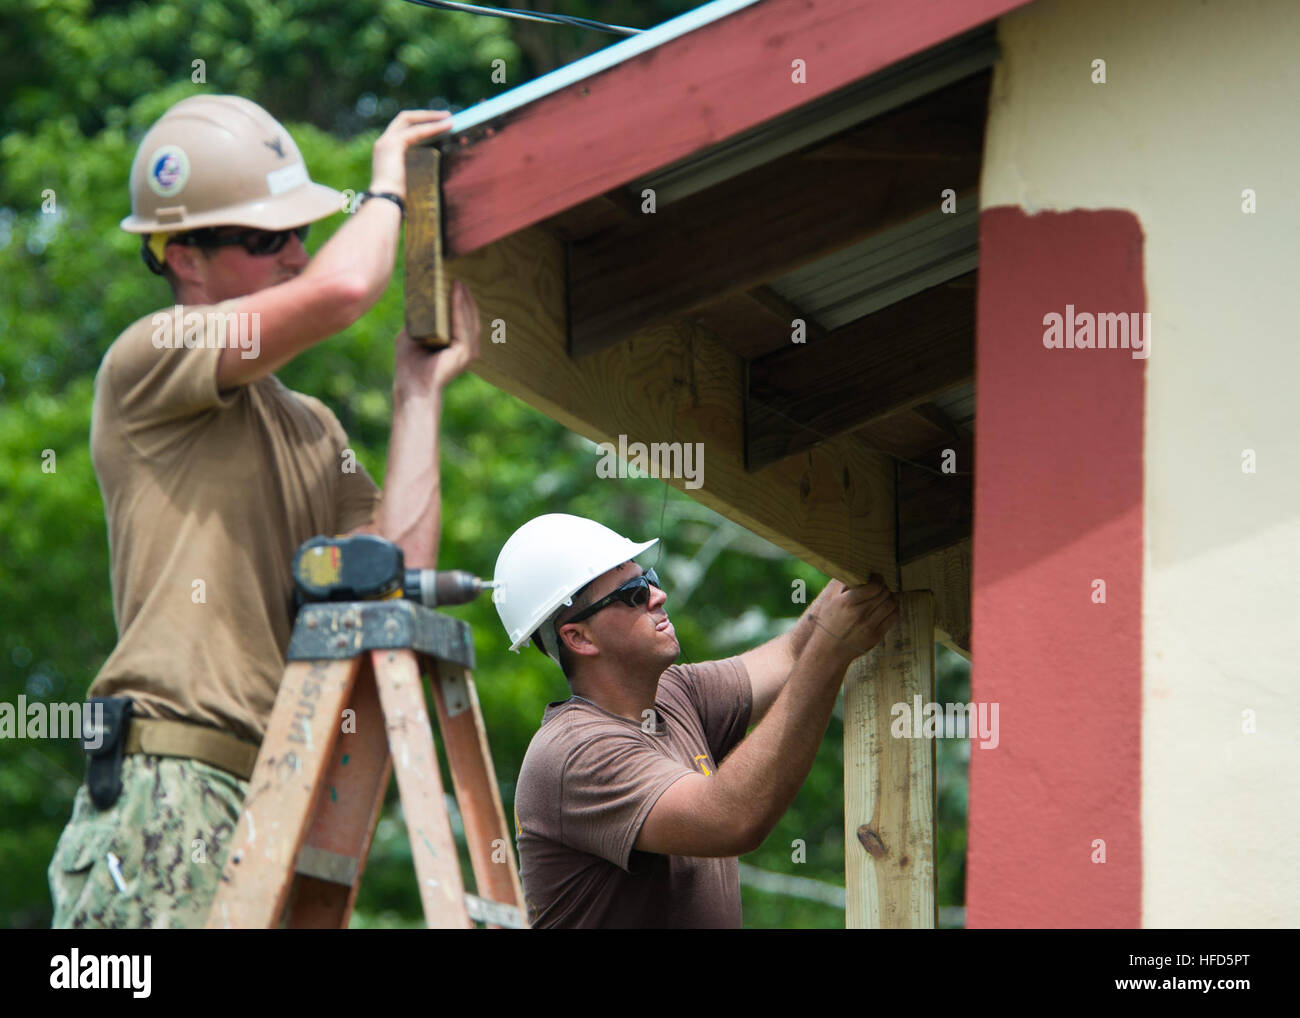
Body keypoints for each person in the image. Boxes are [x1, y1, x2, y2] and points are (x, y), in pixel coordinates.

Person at [48, 94, 479, 928]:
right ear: (185, 258)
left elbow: (394, 580)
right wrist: (386, 190)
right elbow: (345, 288)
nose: (294, 253)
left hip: (281, 803)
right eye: (263, 238)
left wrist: (417, 392)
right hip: (165, 789)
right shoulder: (148, 359)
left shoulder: (312, 428)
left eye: (301, 233)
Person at [493, 513, 900, 928]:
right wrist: (832, 651)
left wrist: (865, 552)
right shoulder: (574, 754)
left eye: (649, 577)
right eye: (633, 593)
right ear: (579, 638)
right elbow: (731, 820)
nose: (658, 595)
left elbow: (795, 653)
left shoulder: (674, 694)